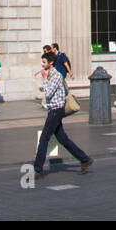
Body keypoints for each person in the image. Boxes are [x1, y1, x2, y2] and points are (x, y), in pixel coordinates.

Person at [32, 50, 92, 179]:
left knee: (44, 138)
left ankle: (38, 169)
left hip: (56, 111)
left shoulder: (56, 76)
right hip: (54, 110)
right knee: (62, 139)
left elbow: (48, 93)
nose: (42, 65)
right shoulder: (51, 75)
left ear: (51, 63)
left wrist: (44, 79)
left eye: (44, 62)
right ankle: (84, 159)